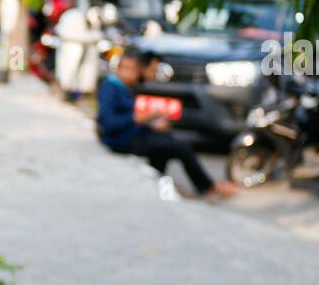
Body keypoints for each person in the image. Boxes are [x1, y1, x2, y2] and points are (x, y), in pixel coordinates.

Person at [97, 48, 239, 198]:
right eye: (126, 68)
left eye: (133, 69)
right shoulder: (111, 86)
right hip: (119, 139)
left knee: (166, 141)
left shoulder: (126, 87)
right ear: (118, 67)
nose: (130, 73)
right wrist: (139, 118)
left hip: (131, 134)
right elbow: (108, 122)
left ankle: (156, 183)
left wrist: (150, 123)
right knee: (179, 148)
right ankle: (207, 186)